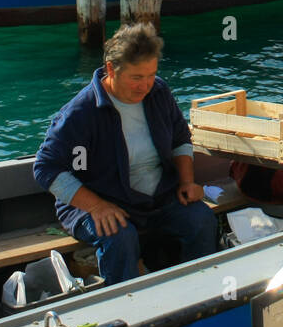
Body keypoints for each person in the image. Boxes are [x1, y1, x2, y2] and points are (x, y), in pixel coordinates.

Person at [34, 23, 218, 284]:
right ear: (111, 69)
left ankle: (199, 294)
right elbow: (46, 168)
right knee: (119, 237)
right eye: (136, 77)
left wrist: (187, 181)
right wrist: (95, 206)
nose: (145, 86)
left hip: (158, 199)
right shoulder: (80, 113)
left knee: (202, 220)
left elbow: (180, 137)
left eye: (151, 75)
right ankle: (125, 311)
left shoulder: (159, 92)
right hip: (98, 203)